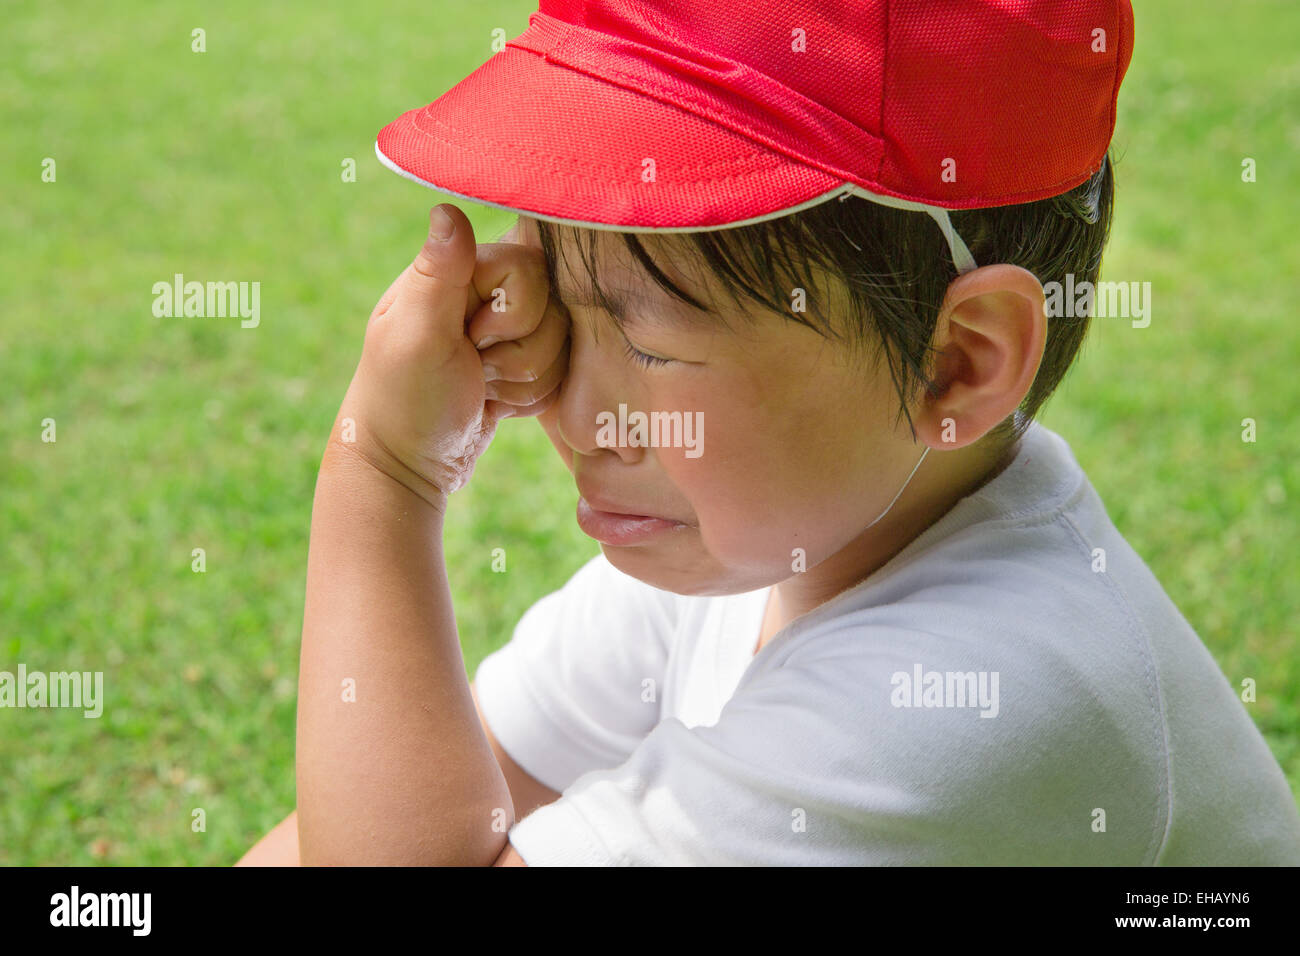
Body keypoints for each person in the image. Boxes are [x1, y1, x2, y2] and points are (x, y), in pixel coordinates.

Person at [238, 0, 1300, 865]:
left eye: (651, 343)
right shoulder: (757, 551)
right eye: (553, 299)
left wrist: (383, 472)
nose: (566, 406)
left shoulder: (967, 699)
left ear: (958, 361)